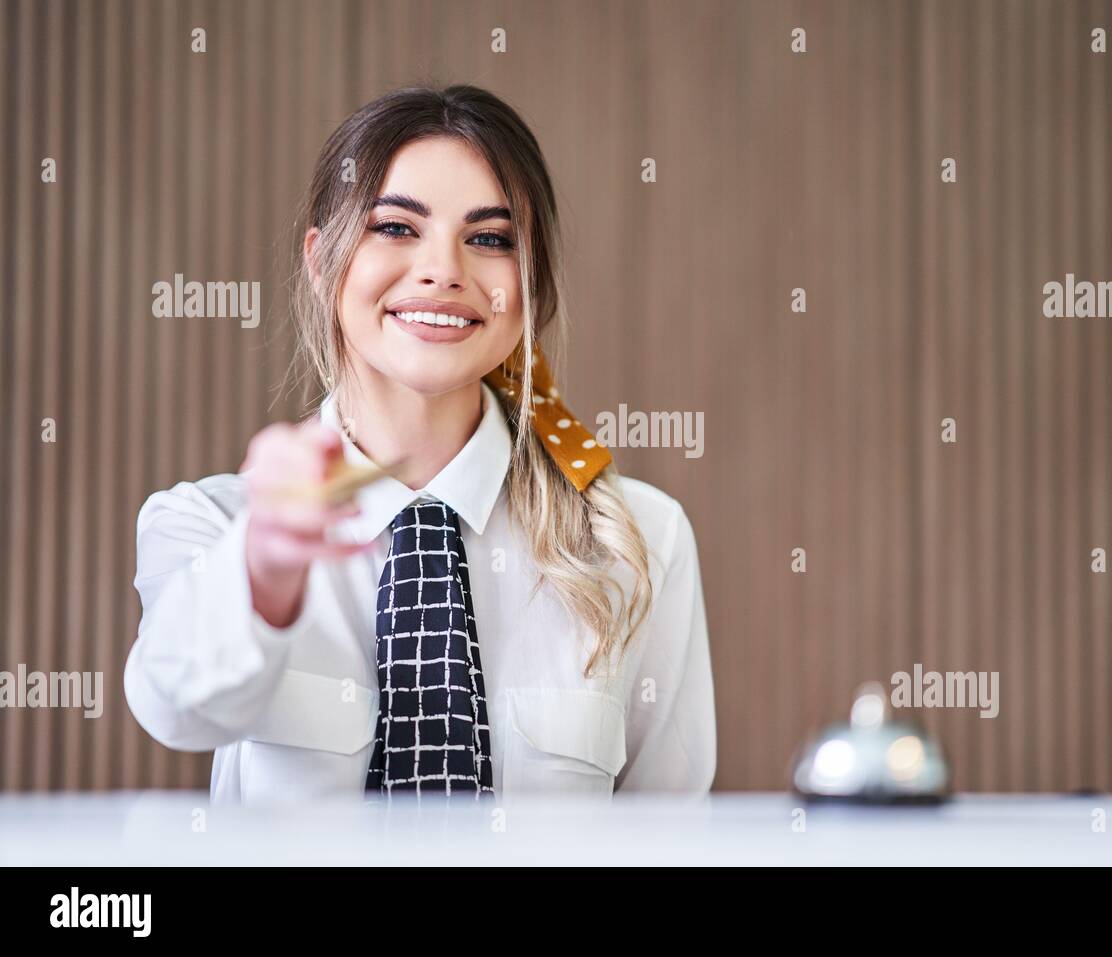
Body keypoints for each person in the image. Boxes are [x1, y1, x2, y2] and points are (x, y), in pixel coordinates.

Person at [124, 84, 716, 805]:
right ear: (321, 263)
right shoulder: (210, 525)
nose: (445, 270)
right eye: (397, 228)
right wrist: (263, 568)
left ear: (532, 289)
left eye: (490, 238)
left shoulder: (642, 541)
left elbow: (670, 836)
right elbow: (172, 706)